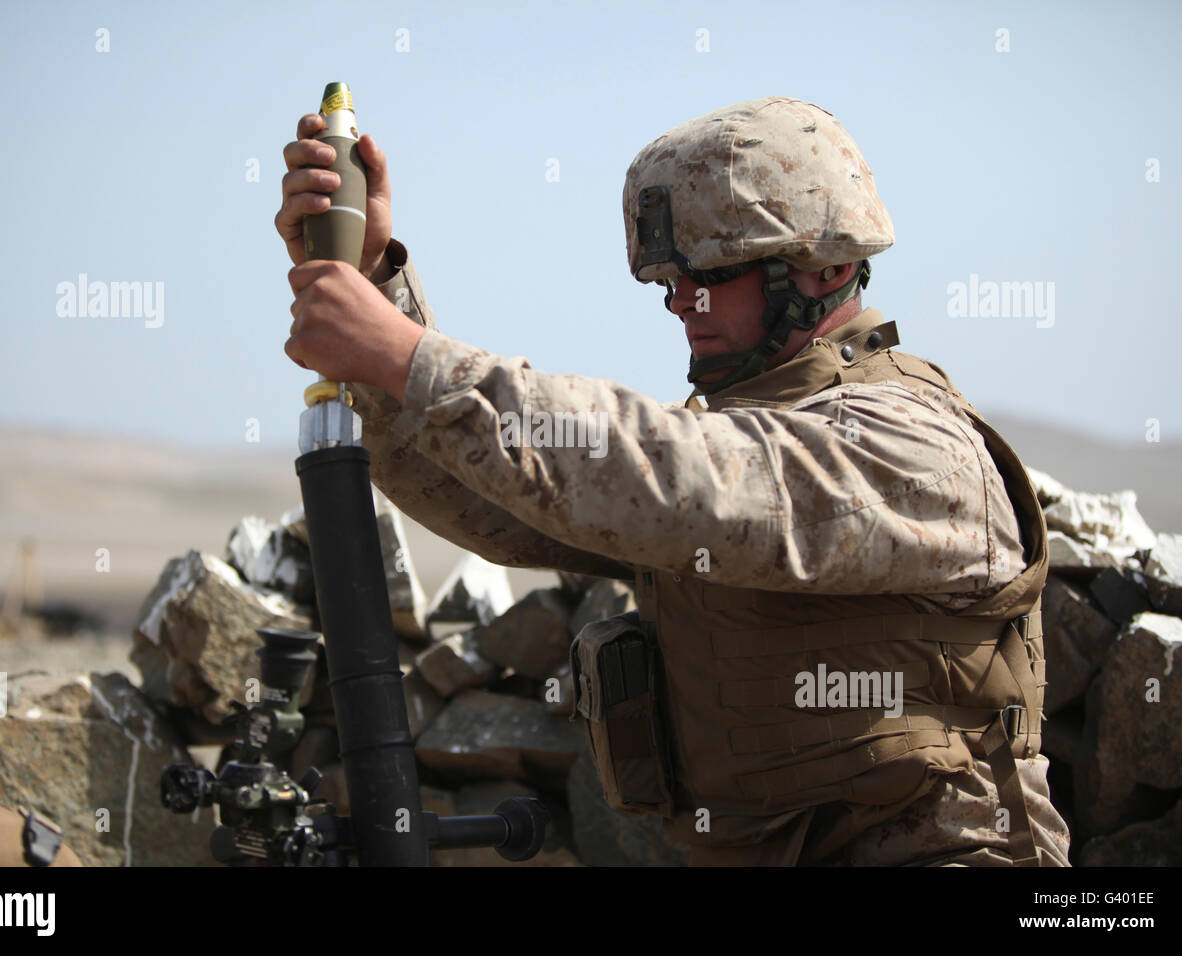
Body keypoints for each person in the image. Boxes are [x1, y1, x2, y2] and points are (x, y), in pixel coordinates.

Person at [276, 95, 1071, 866]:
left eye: (712, 274)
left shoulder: (910, 441)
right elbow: (497, 503)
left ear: (828, 265)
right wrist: (376, 283)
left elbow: (682, 478)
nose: (680, 305)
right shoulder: (741, 440)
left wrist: (407, 357)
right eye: (666, 283)